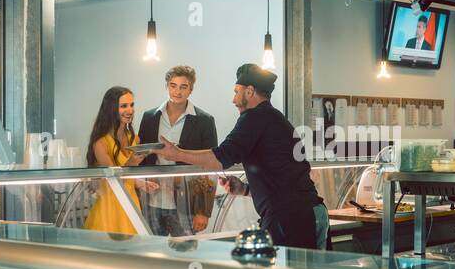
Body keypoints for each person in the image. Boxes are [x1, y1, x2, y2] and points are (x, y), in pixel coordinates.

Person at [159, 63, 328, 249]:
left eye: (236, 92)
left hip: (293, 219)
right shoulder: (272, 117)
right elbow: (281, 177)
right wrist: (244, 189)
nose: (233, 100)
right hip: (308, 213)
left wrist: (177, 153)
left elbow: (220, 158)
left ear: (249, 91)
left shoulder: (254, 117)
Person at [136, 65, 218, 237]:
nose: (177, 91)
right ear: (166, 86)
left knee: (185, 254)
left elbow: (211, 168)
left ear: (191, 90)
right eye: (173, 85)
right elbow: (142, 159)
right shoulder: (149, 117)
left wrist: (203, 210)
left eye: (183, 86)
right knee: (153, 254)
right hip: (152, 200)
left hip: (186, 203)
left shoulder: (205, 121)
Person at [83, 86, 149, 235]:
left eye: (132, 105)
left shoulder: (135, 138)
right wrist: (131, 163)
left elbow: (128, 179)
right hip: (109, 207)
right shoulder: (101, 142)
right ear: (111, 109)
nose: (130, 110)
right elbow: (113, 178)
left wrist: (141, 183)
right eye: (124, 106)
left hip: (131, 205)